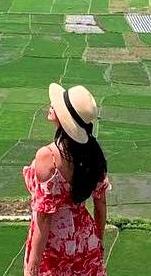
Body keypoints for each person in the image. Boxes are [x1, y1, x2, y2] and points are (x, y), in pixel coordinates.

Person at [23, 83, 110, 276]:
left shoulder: (48, 157)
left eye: (58, 105)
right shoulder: (94, 155)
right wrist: (98, 241)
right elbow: (100, 205)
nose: (52, 105)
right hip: (86, 239)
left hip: (54, 245)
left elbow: (44, 217)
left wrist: (33, 265)